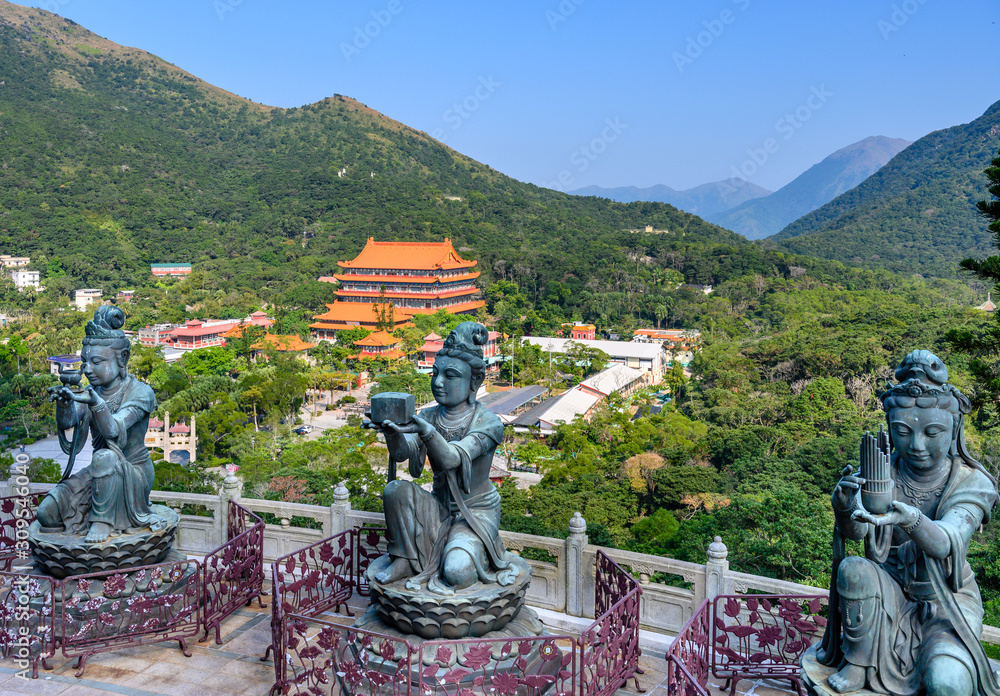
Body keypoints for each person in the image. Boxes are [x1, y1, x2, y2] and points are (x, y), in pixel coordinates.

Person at [819, 350, 999, 696]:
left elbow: (947, 541)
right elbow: (858, 530)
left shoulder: (971, 482)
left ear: (953, 428)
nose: (916, 445)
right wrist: (844, 506)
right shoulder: (881, 469)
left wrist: (912, 518)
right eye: (902, 431)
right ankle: (859, 661)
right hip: (888, 593)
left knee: (947, 683)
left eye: (932, 433)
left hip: (945, 601)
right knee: (855, 569)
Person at [366, 321, 518, 596]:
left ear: (475, 381)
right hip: (438, 506)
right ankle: (404, 559)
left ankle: (473, 552)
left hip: (475, 513)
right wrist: (392, 433)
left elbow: (450, 459)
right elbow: (403, 455)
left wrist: (424, 430)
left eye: (449, 376)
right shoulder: (429, 415)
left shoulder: (488, 422)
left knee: (457, 571)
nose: (438, 383)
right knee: (395, 490)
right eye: (435, 373)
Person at [36, 305, 164, 543]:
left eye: (96, 362)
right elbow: (69, 424)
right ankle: (80, 528)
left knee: (105, 456)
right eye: (85, 362)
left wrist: (94, 402)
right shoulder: (91, 391)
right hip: (100, 471)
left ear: (122, 358)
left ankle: (102, 521)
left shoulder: (140, 392)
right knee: (47, 513)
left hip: (131, 472)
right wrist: (65, 403)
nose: (87, 369)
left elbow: (113, 429)